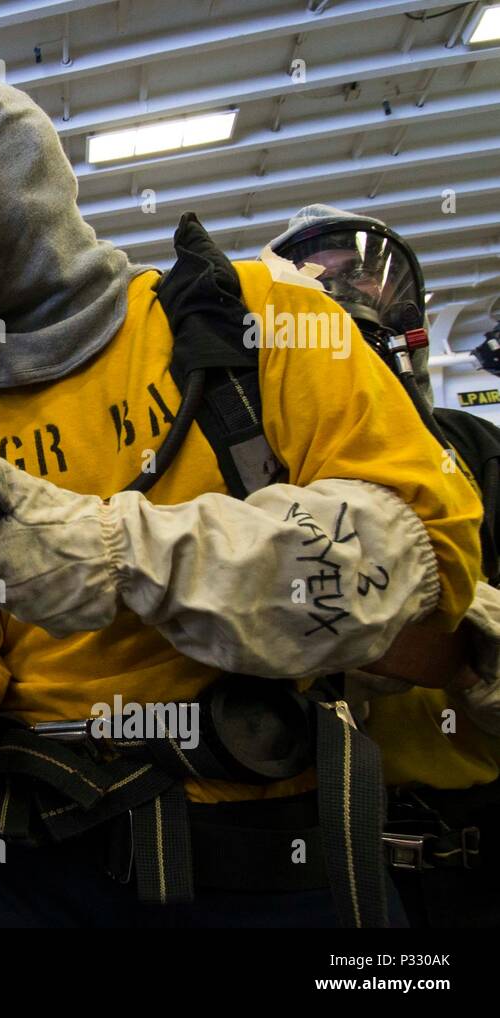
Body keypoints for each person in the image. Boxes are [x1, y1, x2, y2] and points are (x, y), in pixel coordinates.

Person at [0, 81, 483, 928]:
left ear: (11, 169)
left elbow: (424, 555)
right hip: (15, 862)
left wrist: (115, 552)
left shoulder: (253, 317)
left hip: (255, 854)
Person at [271, 204, 500, 927]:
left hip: (476, 844)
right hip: (319, 847)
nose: (342, 292)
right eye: (321, 280)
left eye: (361, 277)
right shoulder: (256, 470)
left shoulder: (475, 452)